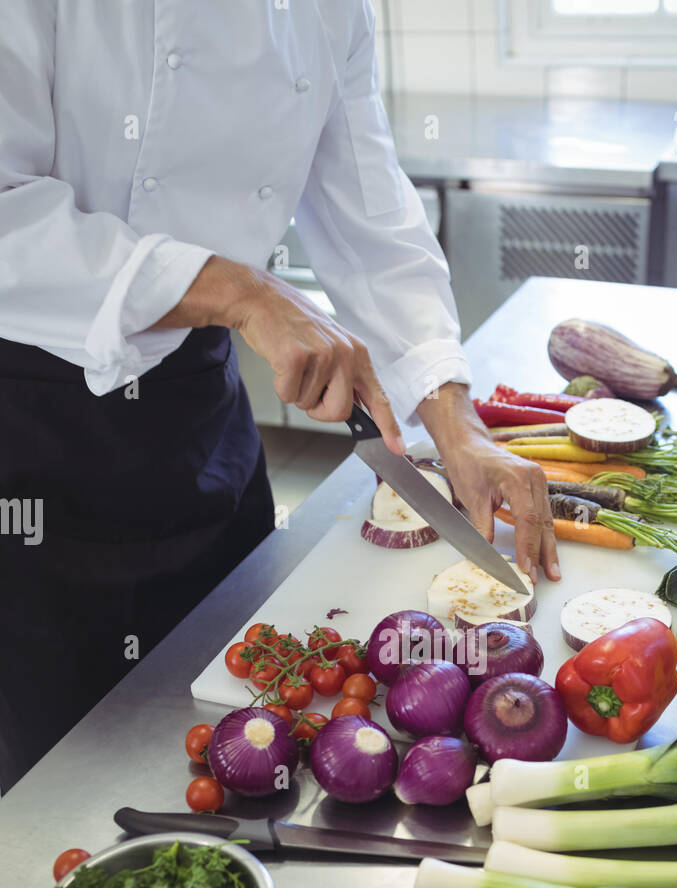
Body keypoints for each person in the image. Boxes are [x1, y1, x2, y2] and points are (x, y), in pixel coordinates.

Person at [0, 1, 559, 793]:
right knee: (69, 778)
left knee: (249, 713)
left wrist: (453, 415)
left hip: (197, 417)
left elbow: (369, 208)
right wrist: (236, 288)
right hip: (30, 432)